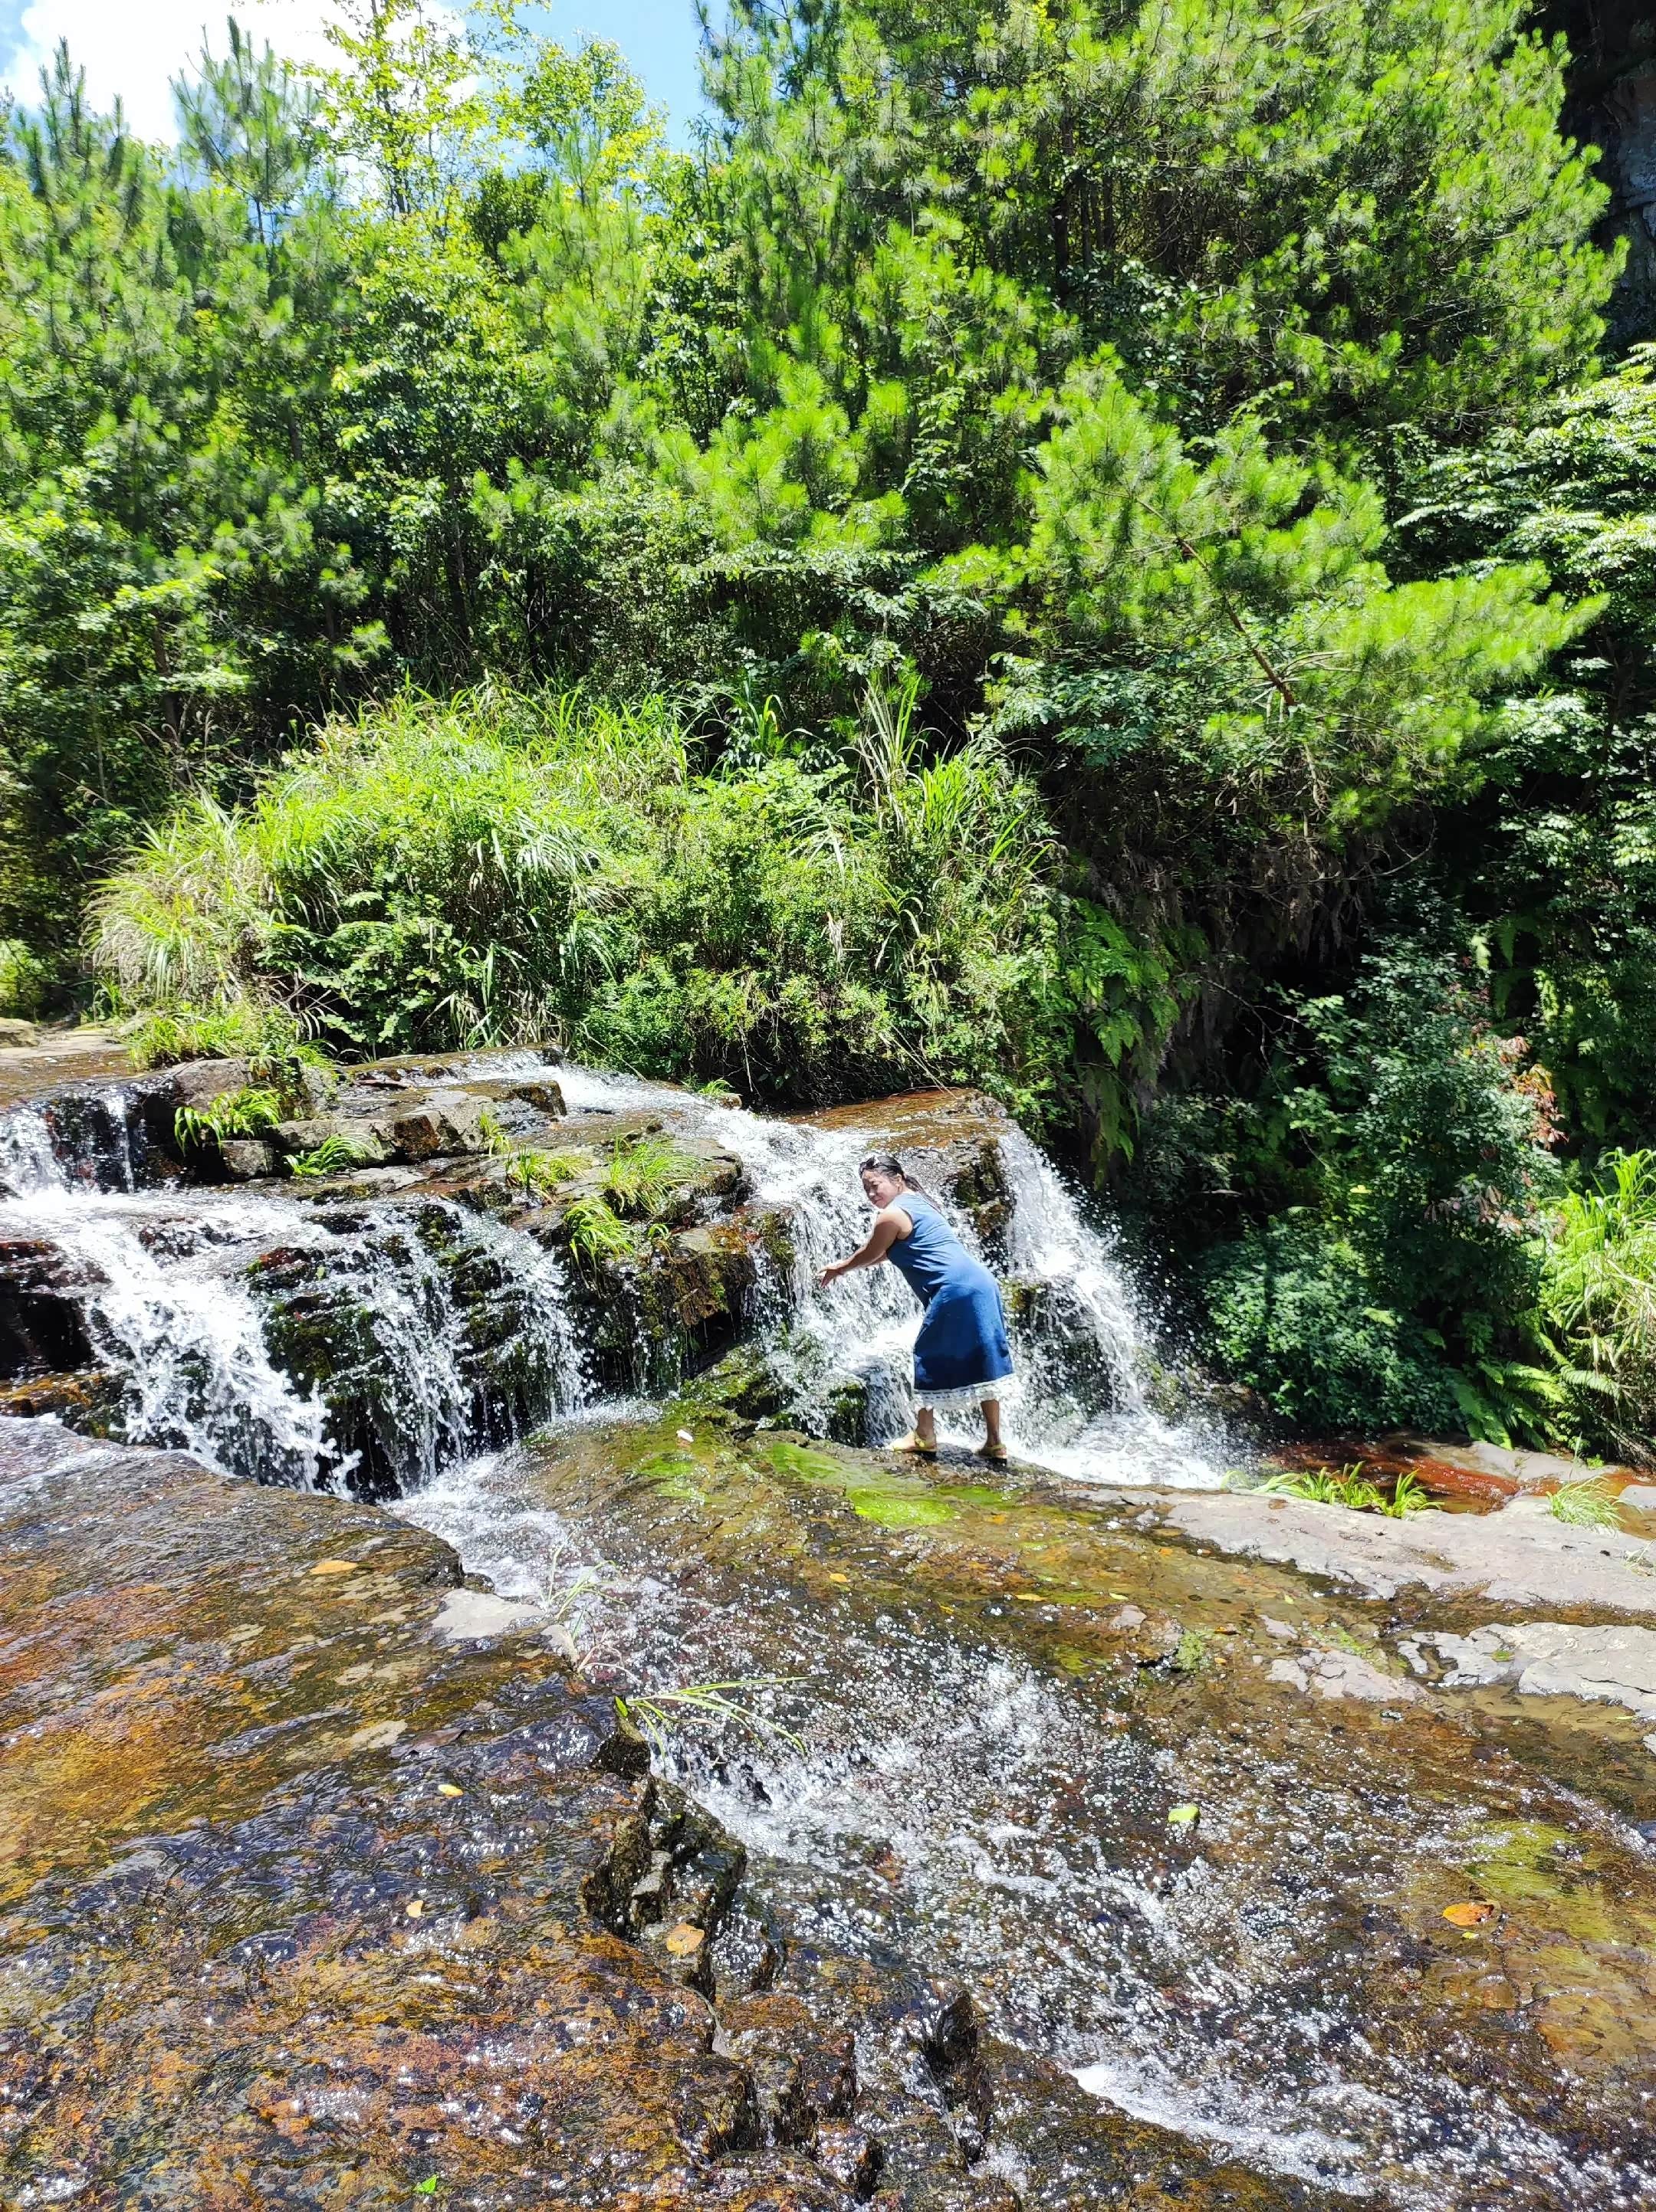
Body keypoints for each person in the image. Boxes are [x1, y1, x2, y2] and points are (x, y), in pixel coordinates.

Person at [818, 1151, 1015, 1460]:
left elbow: (872, 1253)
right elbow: (889, 1251)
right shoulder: (920, 1202)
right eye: (866, 1189)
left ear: (896, 1179)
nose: (871, 1194)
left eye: (875, 1185)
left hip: (954, 1290)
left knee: (927, 1353)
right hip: (980, 1284)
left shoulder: (891, 1215)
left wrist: (839, 1268)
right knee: (982, 1358)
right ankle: (994, 1442)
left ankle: (924, 1435)